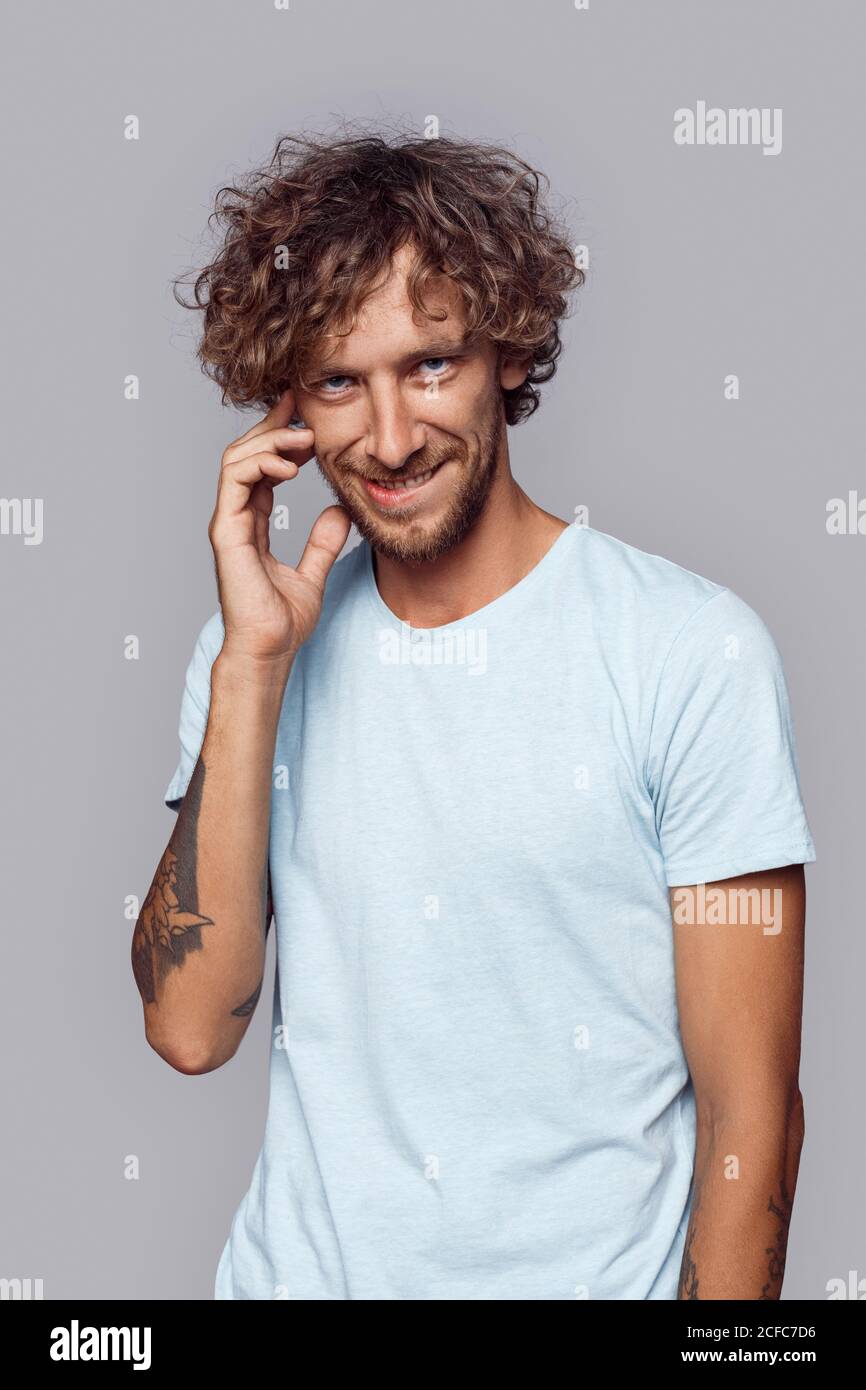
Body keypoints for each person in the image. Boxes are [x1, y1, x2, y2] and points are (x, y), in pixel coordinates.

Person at [132, 130, 816, 1300]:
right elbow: (192, 1029)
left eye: (430, 364)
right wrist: (251, 666)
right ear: (284, 401)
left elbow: (750, 1116)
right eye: (340, 382)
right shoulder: (252, 654)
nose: (390, 440)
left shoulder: (689, 654)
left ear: (506, 346)